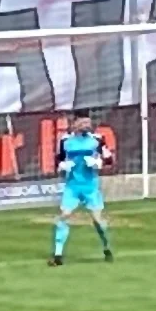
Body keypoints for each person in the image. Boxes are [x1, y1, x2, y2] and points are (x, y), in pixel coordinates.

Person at [50, 113, 115, 266]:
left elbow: (109, 159)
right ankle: (58, 254)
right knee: (64, 215)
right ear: (75, 123)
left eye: (88, 122)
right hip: (72, 186)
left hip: (90, 187)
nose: (87, 125)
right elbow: (58, 160)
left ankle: (106, 247)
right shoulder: (65, 141)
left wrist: (98, 162)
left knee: (97, 221)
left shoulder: (97, 140)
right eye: (83, 122)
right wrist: (62, 166)